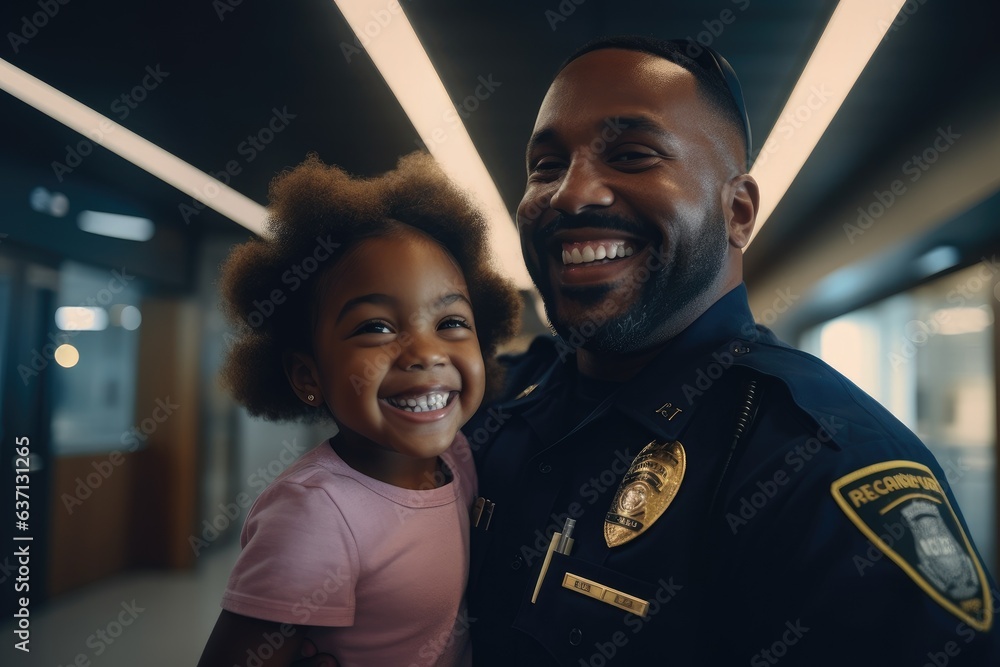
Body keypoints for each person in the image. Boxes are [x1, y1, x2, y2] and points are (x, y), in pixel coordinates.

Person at [456, 35, 1000, 665]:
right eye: (547, 166)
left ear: (738, 212)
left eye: (631, 156)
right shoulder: (489, 401)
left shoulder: (818, 465)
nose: (570, 195)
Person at [198, 152, 520, 667]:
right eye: (376, 327)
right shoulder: (315, 514)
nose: (426, 353)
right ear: (308, 376)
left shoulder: (458, 457)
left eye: (451, 322)